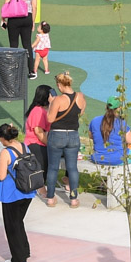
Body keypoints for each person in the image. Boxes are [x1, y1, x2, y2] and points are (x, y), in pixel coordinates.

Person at [0, 122, 35, 262]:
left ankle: (18, 260)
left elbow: (1, 176)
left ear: (3, 138)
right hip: (27, 191)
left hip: (12, 194)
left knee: (12, 227)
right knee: (18, 223)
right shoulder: (24, 146)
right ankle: (25, 251)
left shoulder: (5, 152)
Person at [43, 71, 86, 207]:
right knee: (72, 168)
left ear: (59, 85)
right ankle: (73, 199)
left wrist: (51, 103)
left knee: (53, 168)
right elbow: (80, 112)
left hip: (57, 135)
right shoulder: (80, 96)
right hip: (73, 134)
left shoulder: (58, 100)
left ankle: (50, 198)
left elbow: (50, 119)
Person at [88, 101, 131, 210]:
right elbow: (130, 140)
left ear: (106, 106)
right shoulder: (121, 123)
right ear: (119, 108)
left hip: (98, 157)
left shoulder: (95, 120)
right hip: (116, 158)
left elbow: (91, 136)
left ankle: (104, 183)